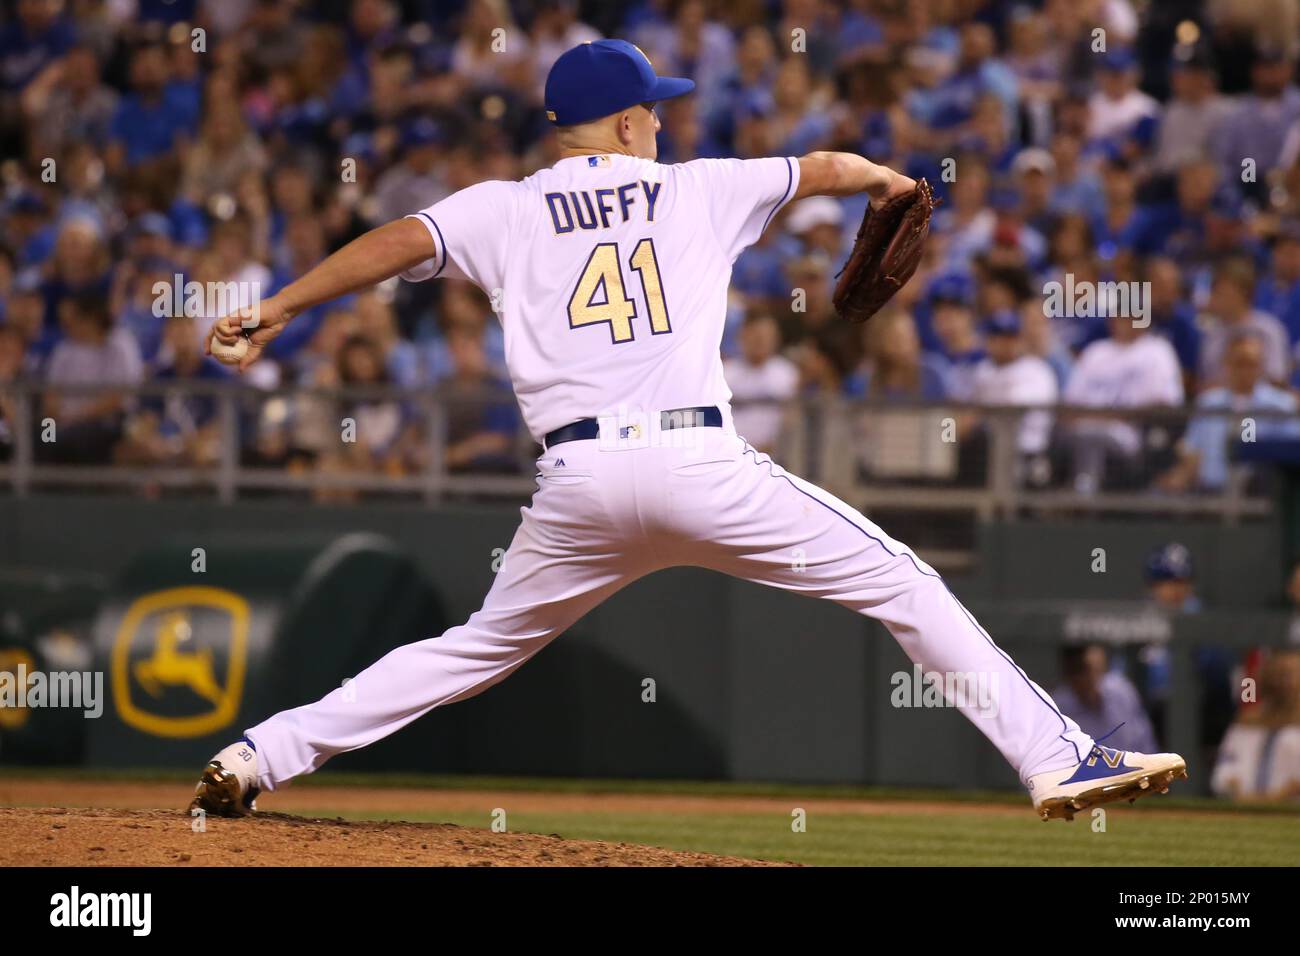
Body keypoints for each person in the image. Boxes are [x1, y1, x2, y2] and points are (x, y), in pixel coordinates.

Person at [194, 39, 1186, 823]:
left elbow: (400, 240)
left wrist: (280, 303)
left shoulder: (502, 207)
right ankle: (1055, 753)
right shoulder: (699, 188)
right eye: (653, 110)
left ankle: (262, 752)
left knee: (471, 650)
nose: (664, 122)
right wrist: (887, 179)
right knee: (899, 578)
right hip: (697, 462)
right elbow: (824, 168)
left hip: (576, 480)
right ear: (623, 120)